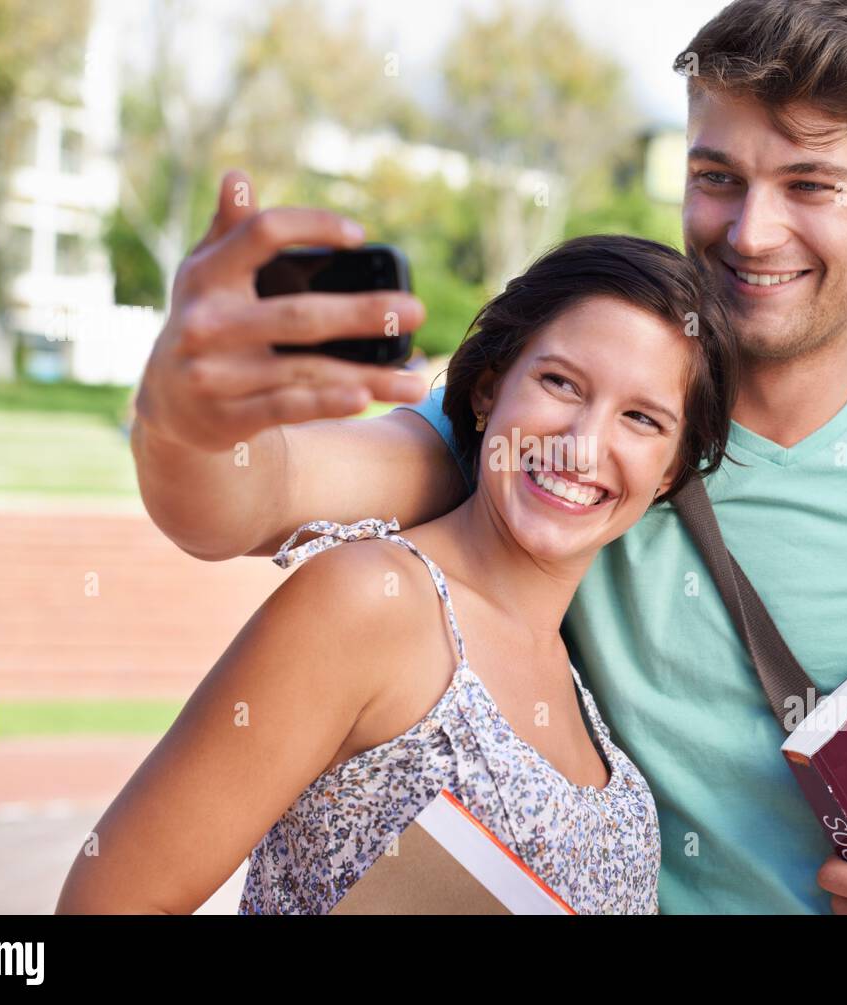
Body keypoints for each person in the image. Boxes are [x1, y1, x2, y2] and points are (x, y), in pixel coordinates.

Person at [124, 0, 847, 914]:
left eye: (810, 184)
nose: (752, 232)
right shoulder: (562, 432)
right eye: (717, 178)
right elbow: (245, 501)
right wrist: (183, 414)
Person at [55, 235, 740, 914]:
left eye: (641, 418)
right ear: (488, 389)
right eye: (560, 382)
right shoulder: (370, 599)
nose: (583, 445)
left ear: (670, 471)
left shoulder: (573, 676)